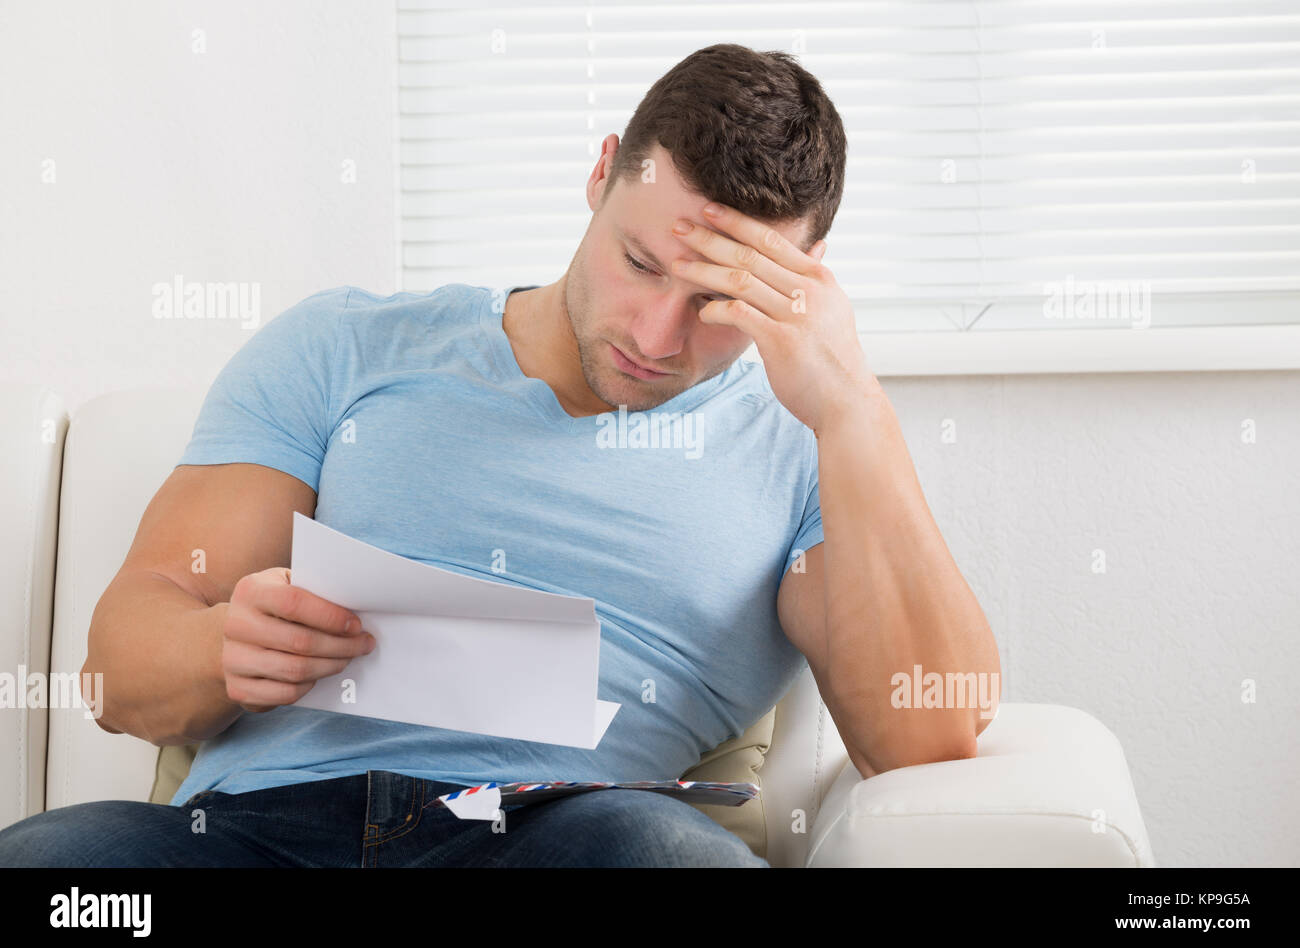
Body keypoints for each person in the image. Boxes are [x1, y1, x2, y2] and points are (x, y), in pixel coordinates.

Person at [0, 42, 998, 868]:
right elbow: (117, 671)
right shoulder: (345, 347)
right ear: (603, 171)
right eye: (640, 263)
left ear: (804, 283)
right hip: (258, 836)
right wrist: (222, 649)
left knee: (657, 855)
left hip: (569, 834)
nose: (655, 335)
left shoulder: (806, 446)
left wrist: (854, 410)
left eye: (716, 304)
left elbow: (926, 733)